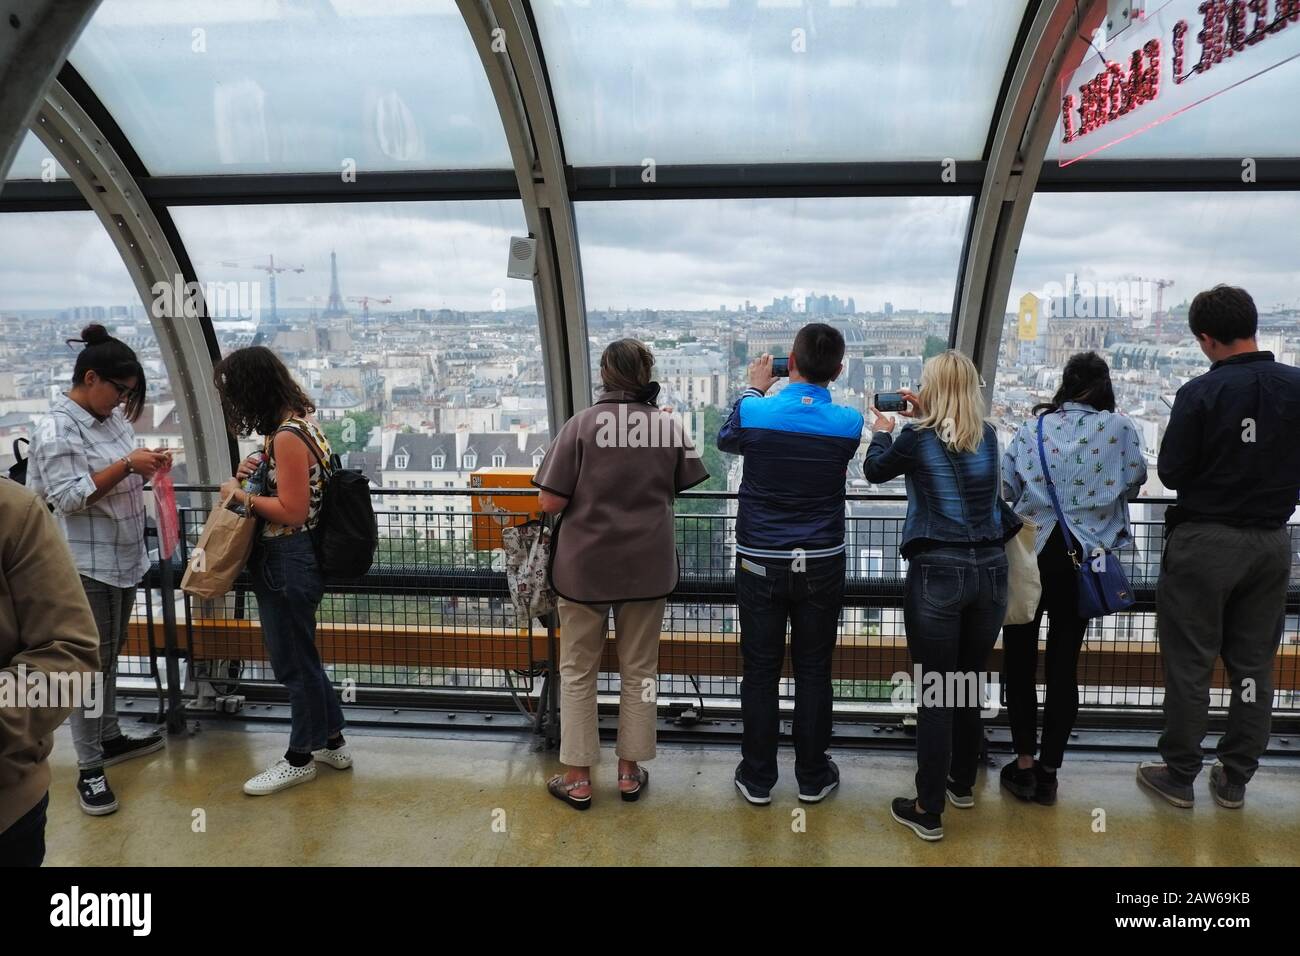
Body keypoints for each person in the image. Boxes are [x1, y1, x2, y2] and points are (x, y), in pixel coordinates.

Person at [1139, 285, 1300, 810]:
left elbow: (1173, 471)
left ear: (1206, 339)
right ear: (1253, 324)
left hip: (1205, 542)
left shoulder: (1199, 395)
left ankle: (1180, 774)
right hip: (1272, 542)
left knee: (1191, 664)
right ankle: (1234, 778)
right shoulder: (1296, 388)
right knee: (1254, 665)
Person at [533, 339, 708, 810]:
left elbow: (550, 501)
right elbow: (681, 483)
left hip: (584, 568)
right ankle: (629, 771)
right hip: (647, 568)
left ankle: (577, 779)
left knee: (577, 671)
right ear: (645, 372)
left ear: (605, 374)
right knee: (640, 670)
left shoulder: (581, 426)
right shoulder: (666, 426)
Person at [862, 350, 1018, 842]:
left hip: (938, 572)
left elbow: (874, 472)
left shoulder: (916, 437)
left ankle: (927, 809)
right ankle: (961, 783)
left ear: (930, 388)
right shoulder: (989, 436)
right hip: (992, 572)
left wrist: (885, 429)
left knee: (935, 693)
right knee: (969, 683)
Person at [718, 323, 864, 805]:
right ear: (839, 370)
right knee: (814, 669)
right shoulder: (849, 422)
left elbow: (727, 439)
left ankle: (758, 777)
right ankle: (812, 774)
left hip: (760, 557)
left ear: (790, 363)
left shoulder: (756, 411)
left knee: (760, 669)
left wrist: (755, 386)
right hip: (821, 558)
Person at [27, 325, 170, 817]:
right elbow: (66, 497)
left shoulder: (105, 420)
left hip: (122, 557)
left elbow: (118, 468)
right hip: (84, 564)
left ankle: (108, 738)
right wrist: (130, 465)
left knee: (106, 659)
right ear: (92, 378)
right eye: (121, 391)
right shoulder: (58, 428)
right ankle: (90, 769)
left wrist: (144, 462)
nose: (122, 401)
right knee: (88, 668)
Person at [1001, 352, 1146, 805]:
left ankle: (1022, 764)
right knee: (1065, 666)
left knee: (1020, 663)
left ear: (1063, 384)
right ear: (1103, 387)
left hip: (1032, 556)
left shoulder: (1032, 430)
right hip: (1083, 562)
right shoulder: (1121, 429)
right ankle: (1049, 772)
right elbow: (1135, 480)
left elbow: (1006, 490)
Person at [213, 346, 350, 796]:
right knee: (303, 655)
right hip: (301, 557)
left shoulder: (287, 437)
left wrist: (237, 495)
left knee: (292, 663)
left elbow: (290, 511)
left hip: (285, 557)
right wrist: (252, 476)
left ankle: (299, 757)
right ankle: (330, 739)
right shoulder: (301, 427)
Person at [0, 479, 101, 865]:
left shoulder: (13, 512)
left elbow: (69, 653)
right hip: (96, 565)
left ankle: (95, 760)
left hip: (7, 799)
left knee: (101, 672)